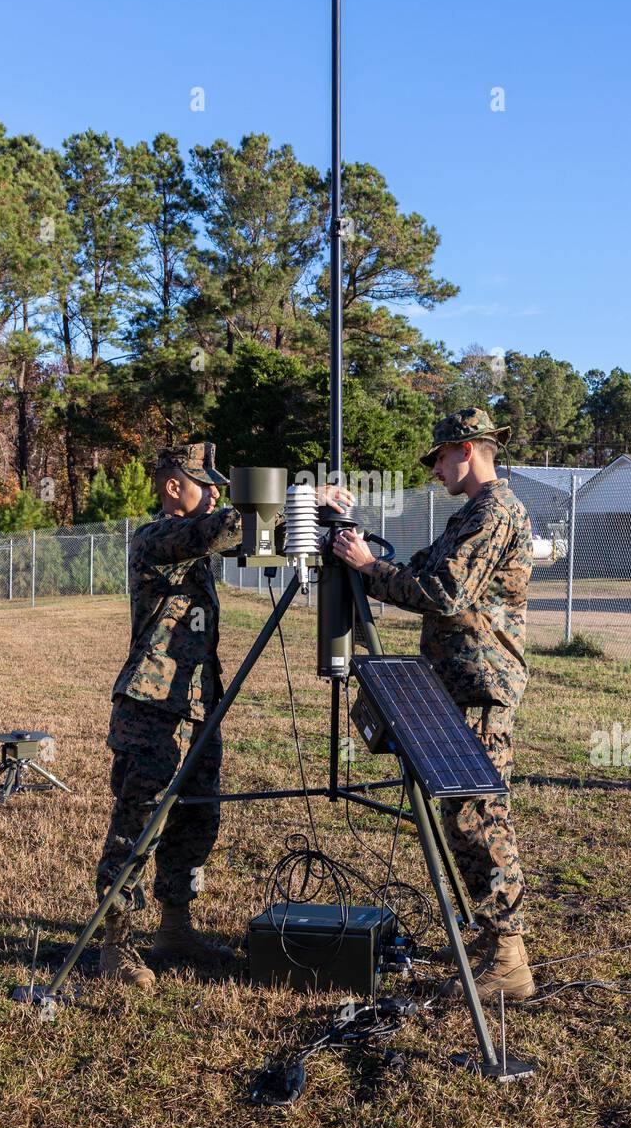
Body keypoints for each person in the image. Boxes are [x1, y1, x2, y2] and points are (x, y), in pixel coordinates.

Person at [96, 436, 352, 988]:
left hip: (197, 705)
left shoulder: (198, 538)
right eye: (203, 487)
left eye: (217, 490)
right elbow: (225, 529)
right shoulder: (158, 537)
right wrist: (300, 491)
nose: (213, 497)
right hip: (151, 707)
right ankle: (113, 943)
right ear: (172, 487)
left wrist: (312, 520)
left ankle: (173, 926)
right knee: (139, 823)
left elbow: (257, 536)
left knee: (197, 817)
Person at [333, 408, 535, 1001]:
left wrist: (369, 568)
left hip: (480, 685)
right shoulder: (473, 513)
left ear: (466, 450)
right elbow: (422, 569)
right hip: (459, 683)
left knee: (477, 814)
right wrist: (364, 555)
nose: (438, 469)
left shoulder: (494, 512)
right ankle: (491, 938)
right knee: (461, 812)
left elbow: (442, 593)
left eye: (442, 457)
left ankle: (509, 956)